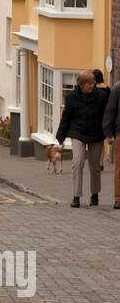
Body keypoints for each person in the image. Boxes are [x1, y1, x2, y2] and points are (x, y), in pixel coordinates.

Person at [56, 70, 109, 207]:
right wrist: (60, 136)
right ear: (81, 84)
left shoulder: (102, 96)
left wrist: (109, 133)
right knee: (77, 162)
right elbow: (66, 117)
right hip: (78, 132)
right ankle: (76, 196)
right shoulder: (72, 97)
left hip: (96, 133)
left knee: (95, 165)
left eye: (93, 83)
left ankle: (95, 194)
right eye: (89, 83)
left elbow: (108, 115)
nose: (92, 86)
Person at [102, 75, 120, 209]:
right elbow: (110, 111)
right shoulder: (117, 88)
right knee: (119, 169)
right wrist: (108, 133)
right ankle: (118, 198)